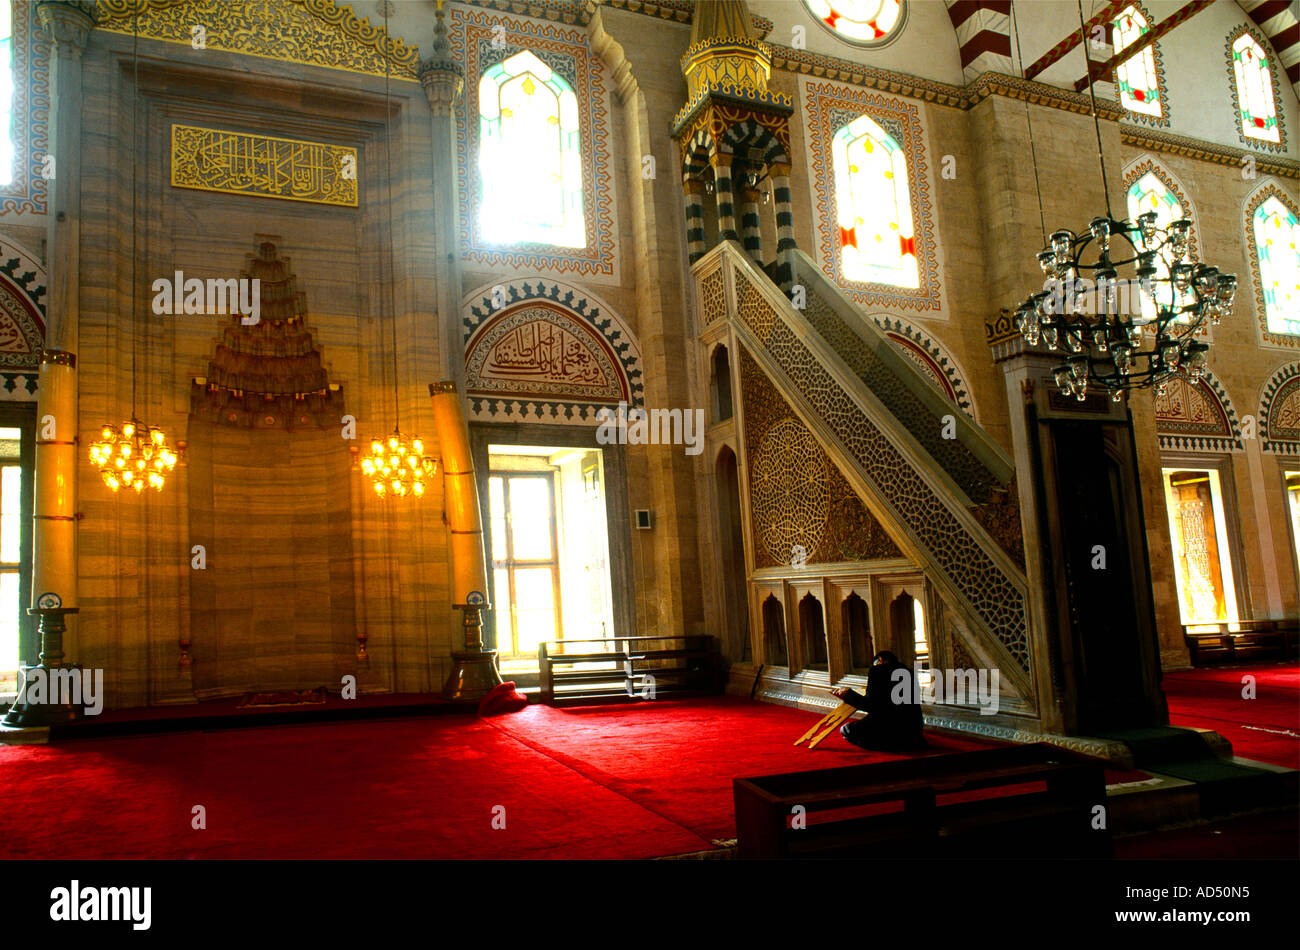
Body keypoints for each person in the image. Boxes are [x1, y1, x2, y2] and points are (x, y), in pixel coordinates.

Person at [831, 651, 926, 751]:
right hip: (914, 730)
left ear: (880, 660)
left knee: (846, 729)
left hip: (890, 729)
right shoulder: (909, 672)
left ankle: (889, 745)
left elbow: (872, 706)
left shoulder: (877, 670)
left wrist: (848, 695)